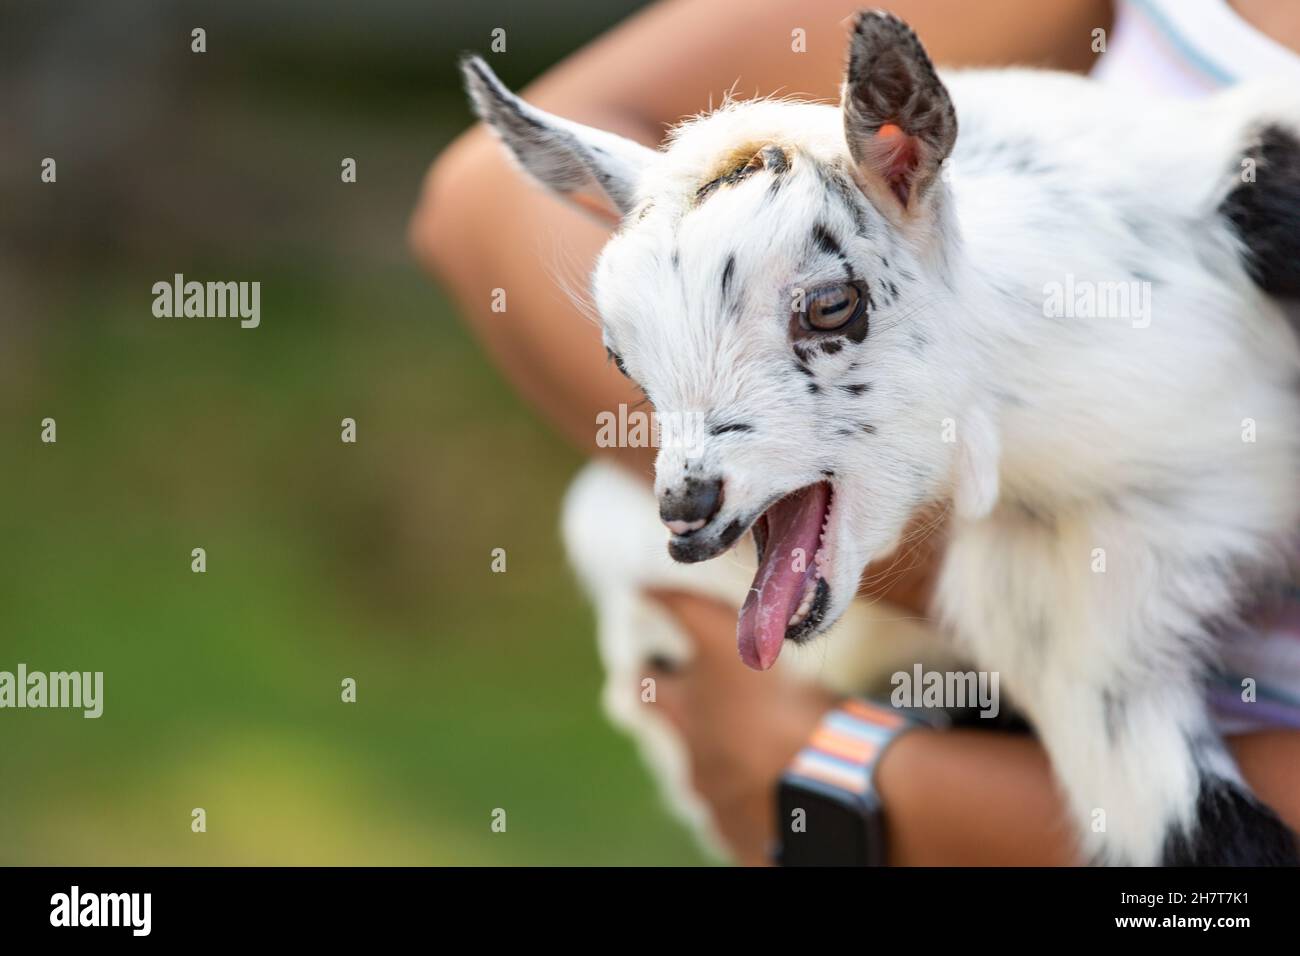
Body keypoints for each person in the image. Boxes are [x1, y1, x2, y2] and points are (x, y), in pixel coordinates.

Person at [412, 0, 1300, 864]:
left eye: (828, 313)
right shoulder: (1036, 580)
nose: (676, 493)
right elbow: (477, 198)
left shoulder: (1244, 179)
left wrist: (851, 782)